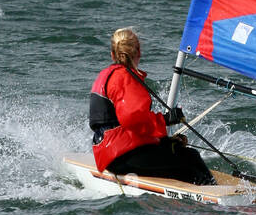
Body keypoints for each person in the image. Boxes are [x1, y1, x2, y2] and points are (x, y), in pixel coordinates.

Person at [89, 28, 215, 186]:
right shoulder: (125, 78)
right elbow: (132, 120)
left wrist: (163, 141)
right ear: (138, 51)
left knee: (182, 153)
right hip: (123, 156)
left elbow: (127, 127)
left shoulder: (105, 75)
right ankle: (216, 200)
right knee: (191, 159)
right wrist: (165, 120)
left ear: (112, 54)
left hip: (110, 154)